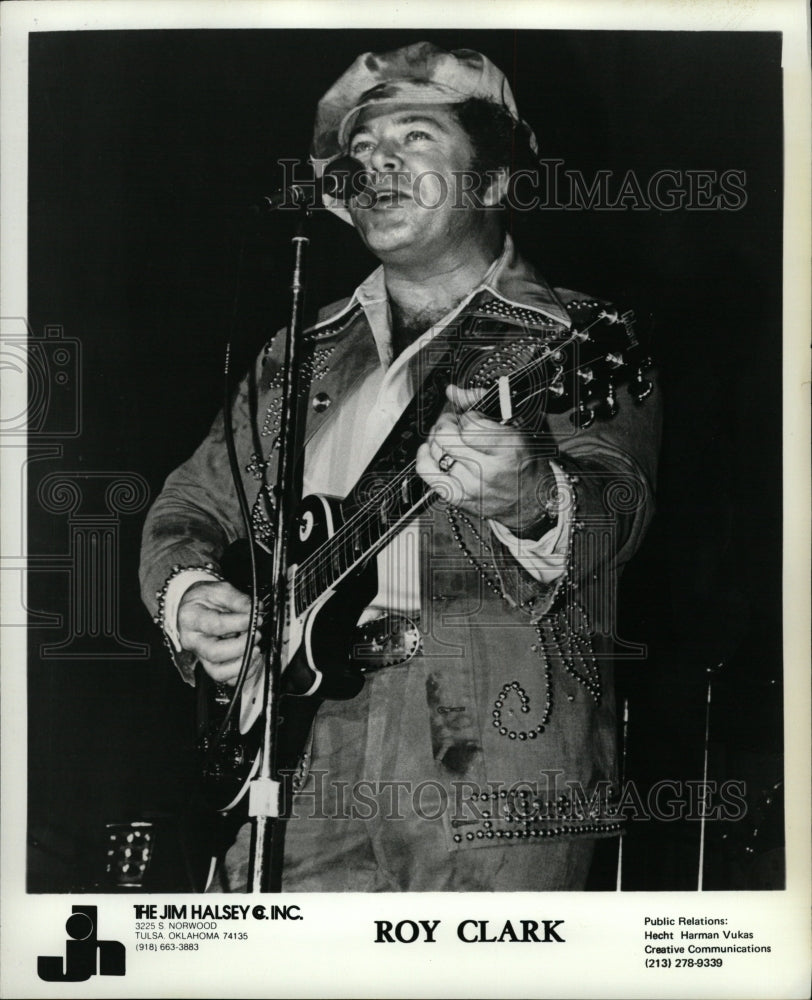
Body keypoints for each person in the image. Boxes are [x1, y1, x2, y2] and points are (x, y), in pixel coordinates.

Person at [140, 41, 660, 892]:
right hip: (300, 757)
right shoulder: (296, 357)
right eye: (362, 152)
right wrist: (189, 594)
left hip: (497, 755)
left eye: (413, 138)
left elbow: (618, 504)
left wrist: (532, 495)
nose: (375, 162)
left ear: (492, 181)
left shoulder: (577, 337)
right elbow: (189, 506)